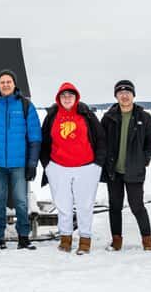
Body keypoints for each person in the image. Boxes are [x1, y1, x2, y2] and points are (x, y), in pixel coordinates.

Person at [0, 70, 41, 252]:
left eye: (9, 81)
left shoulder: (26, 106)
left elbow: (35, 136)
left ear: (14, 84)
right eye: (2, 82)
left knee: (21, 201)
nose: (5, 84)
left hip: (19, 163)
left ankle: (23, 237)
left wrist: (32, 163)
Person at [40, 82, 106, 255]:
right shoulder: (52, 115)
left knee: (85, 205)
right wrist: (48, 165)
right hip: (58, 167)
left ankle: (85, 239)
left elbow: (100, 139)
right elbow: (44, 141)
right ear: (58, 98)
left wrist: (97, 164)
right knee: (63, 205)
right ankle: (66, 238)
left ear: (76, 97)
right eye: (63, 96)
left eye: (70, 95)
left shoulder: (86, 114)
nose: (67, 98)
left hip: (86, 168)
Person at [100, 80, 151, 251]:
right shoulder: (109, 117)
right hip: (114, 171)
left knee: (137, 206)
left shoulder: (143, 117)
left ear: (133, 95)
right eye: (120, 92)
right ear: (116, 96)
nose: (124, 96)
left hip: (134, 170)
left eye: (128, 92)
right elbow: (101, 141)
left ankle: (147, 239)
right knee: (115, 206)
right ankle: (116, 239)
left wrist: (144, 159)